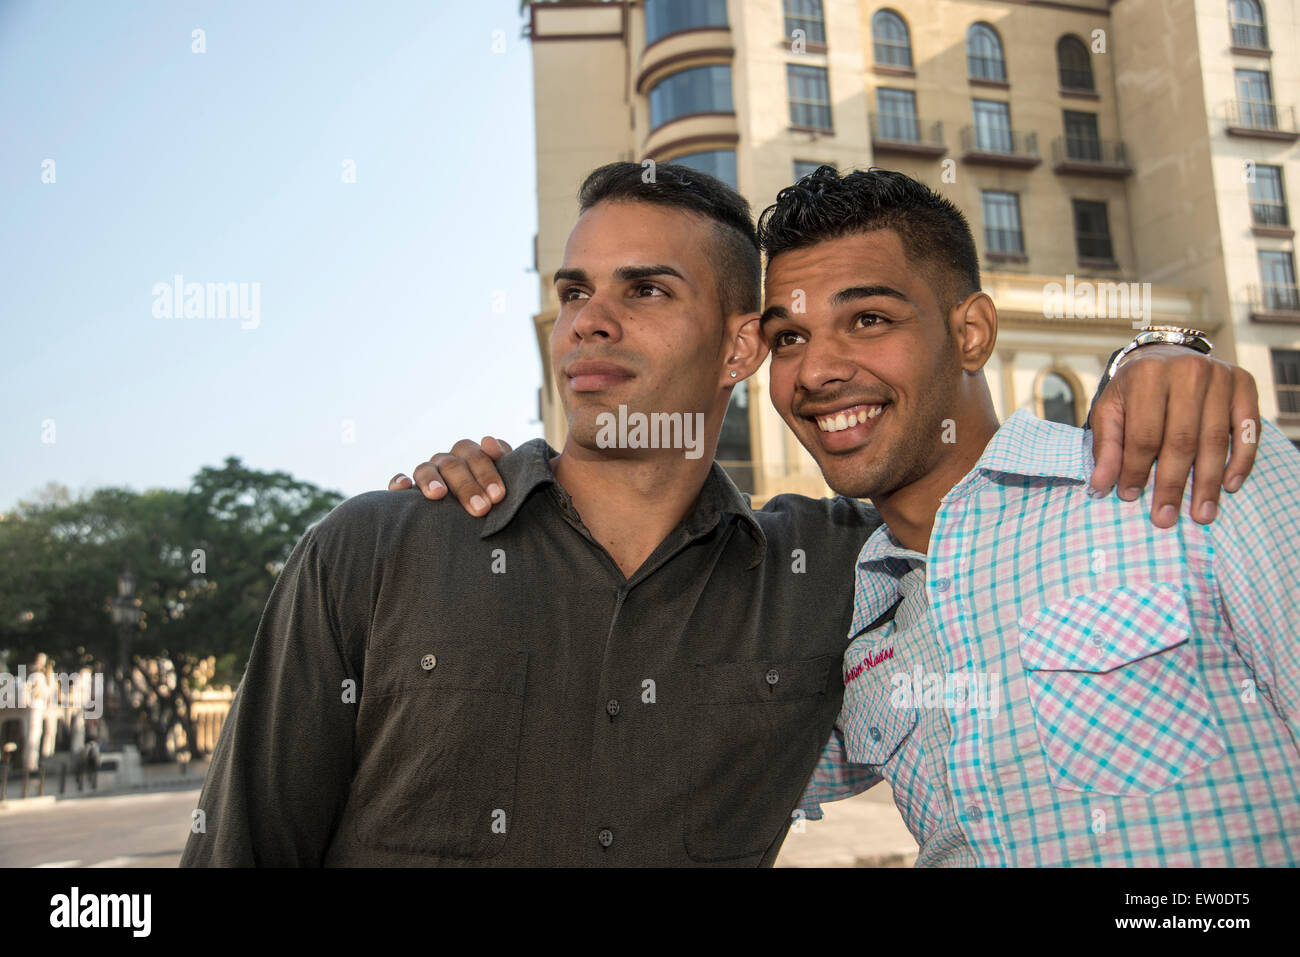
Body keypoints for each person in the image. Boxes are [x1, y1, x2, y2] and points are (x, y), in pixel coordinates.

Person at [186, 163, 1255, 867]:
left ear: (739, 348)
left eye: (645, 290)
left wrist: (1161, 350)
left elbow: (961, 499)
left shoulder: (836, 576)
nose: (589, 321)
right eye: (572, 291)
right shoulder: (380, 547)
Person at [744, 167, 1298, 865]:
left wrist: (1161, 343)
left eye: (869, 319)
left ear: (971, 333)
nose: (816, 369)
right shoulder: (861, 619)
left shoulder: (1185, 471)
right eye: (788, 338)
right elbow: (700, 778)